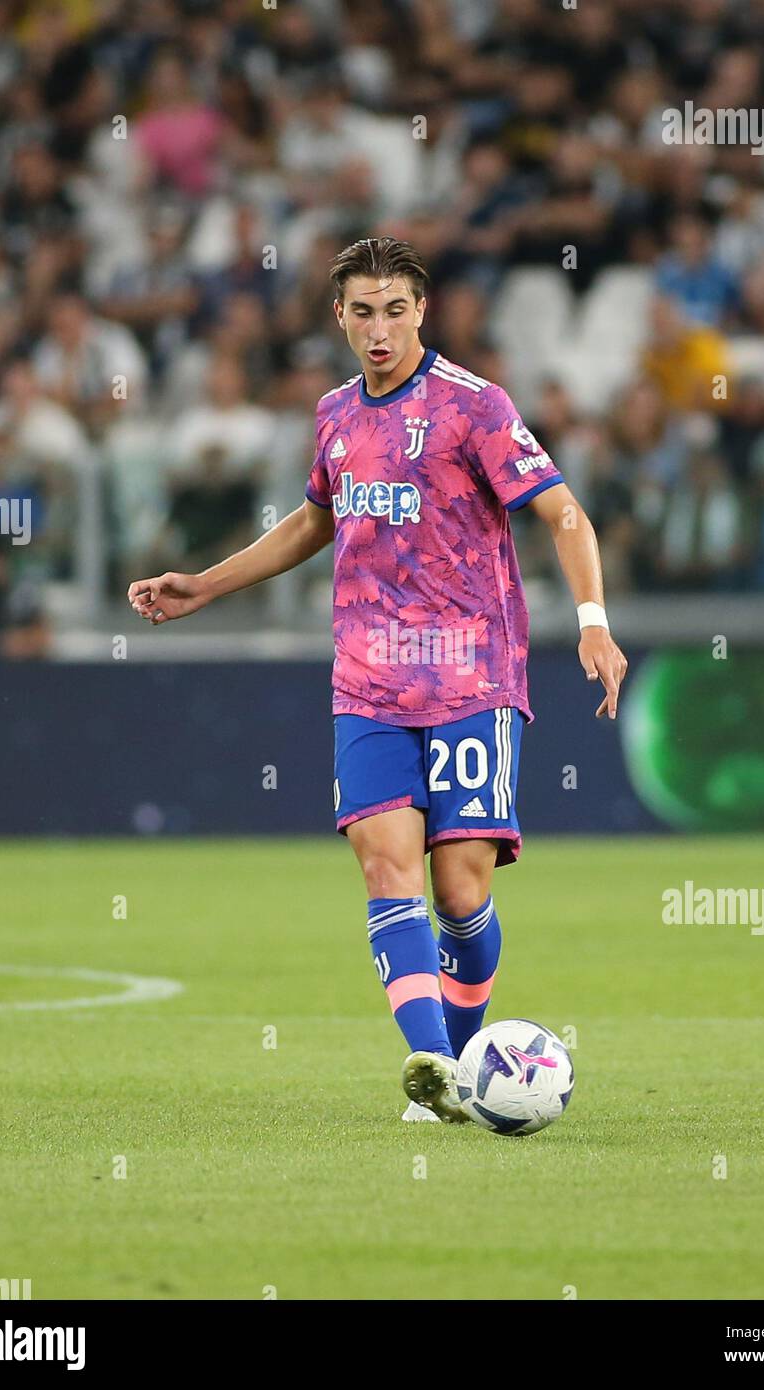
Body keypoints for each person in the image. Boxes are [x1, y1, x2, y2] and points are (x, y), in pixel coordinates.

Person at [128, 237, 627, 1123]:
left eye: (395, 309)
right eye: (362, 311)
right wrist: (204, 583)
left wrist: (592, 623)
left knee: (461, 890)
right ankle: (437, 1075)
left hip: (472, 676)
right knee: (384, 866)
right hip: (367, 685)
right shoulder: (333, 415)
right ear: (339, 317)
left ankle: (466, 1048)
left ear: (420, 311)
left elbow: (564, 512)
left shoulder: (475, 407)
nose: (379, 329)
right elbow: (311, 523)